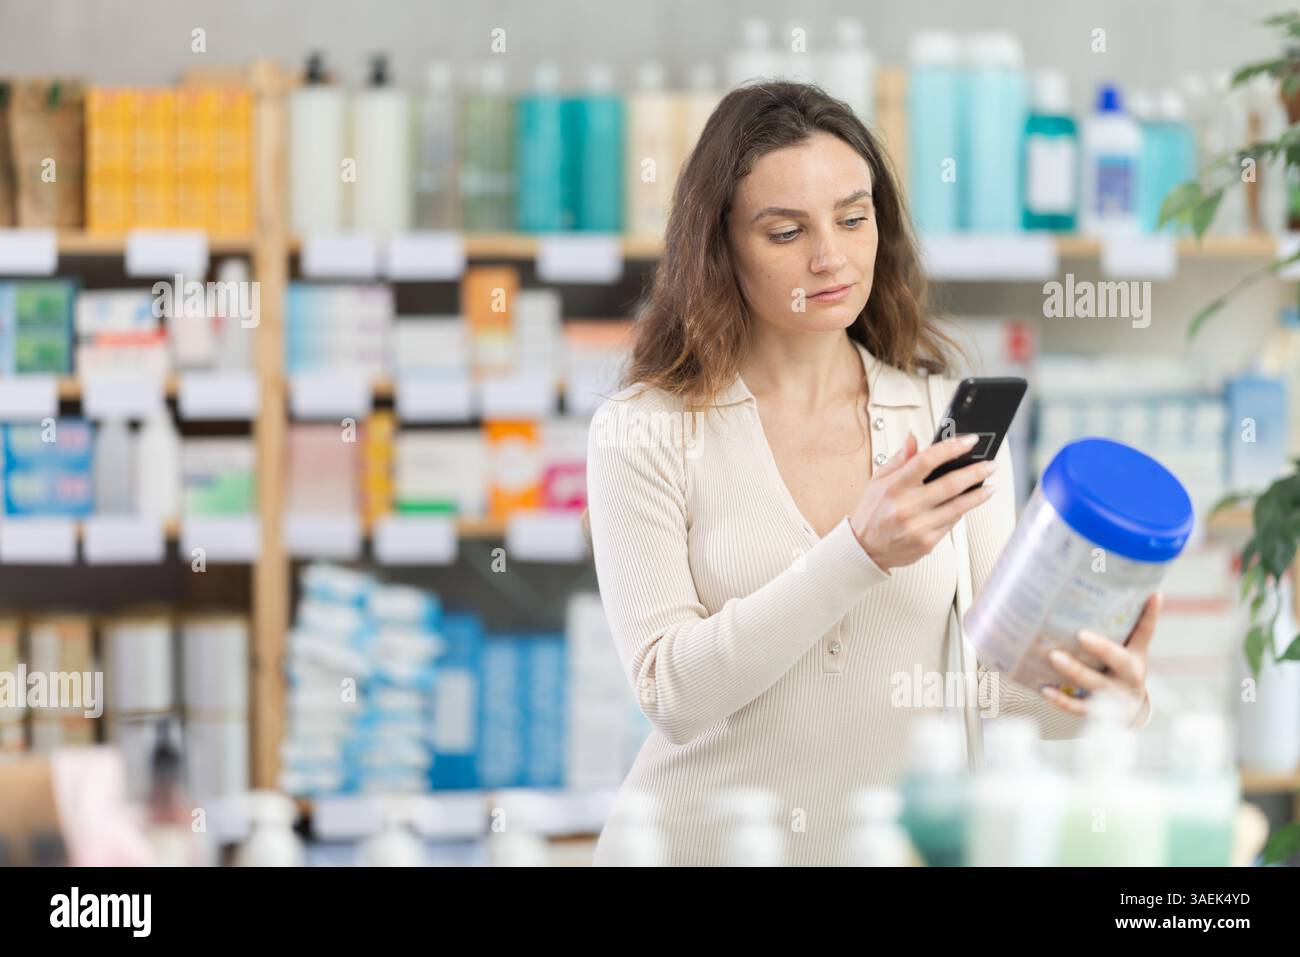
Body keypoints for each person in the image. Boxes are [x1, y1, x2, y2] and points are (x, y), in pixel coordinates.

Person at [584, 81, 1155, 866]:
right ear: (719, 247)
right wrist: (858, 550)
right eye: (785, 232)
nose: (830, 257)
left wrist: (1096, 691)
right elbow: (673, 696)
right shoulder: (644, 429)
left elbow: (997, 691)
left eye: (854, 219)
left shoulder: (944, 419)